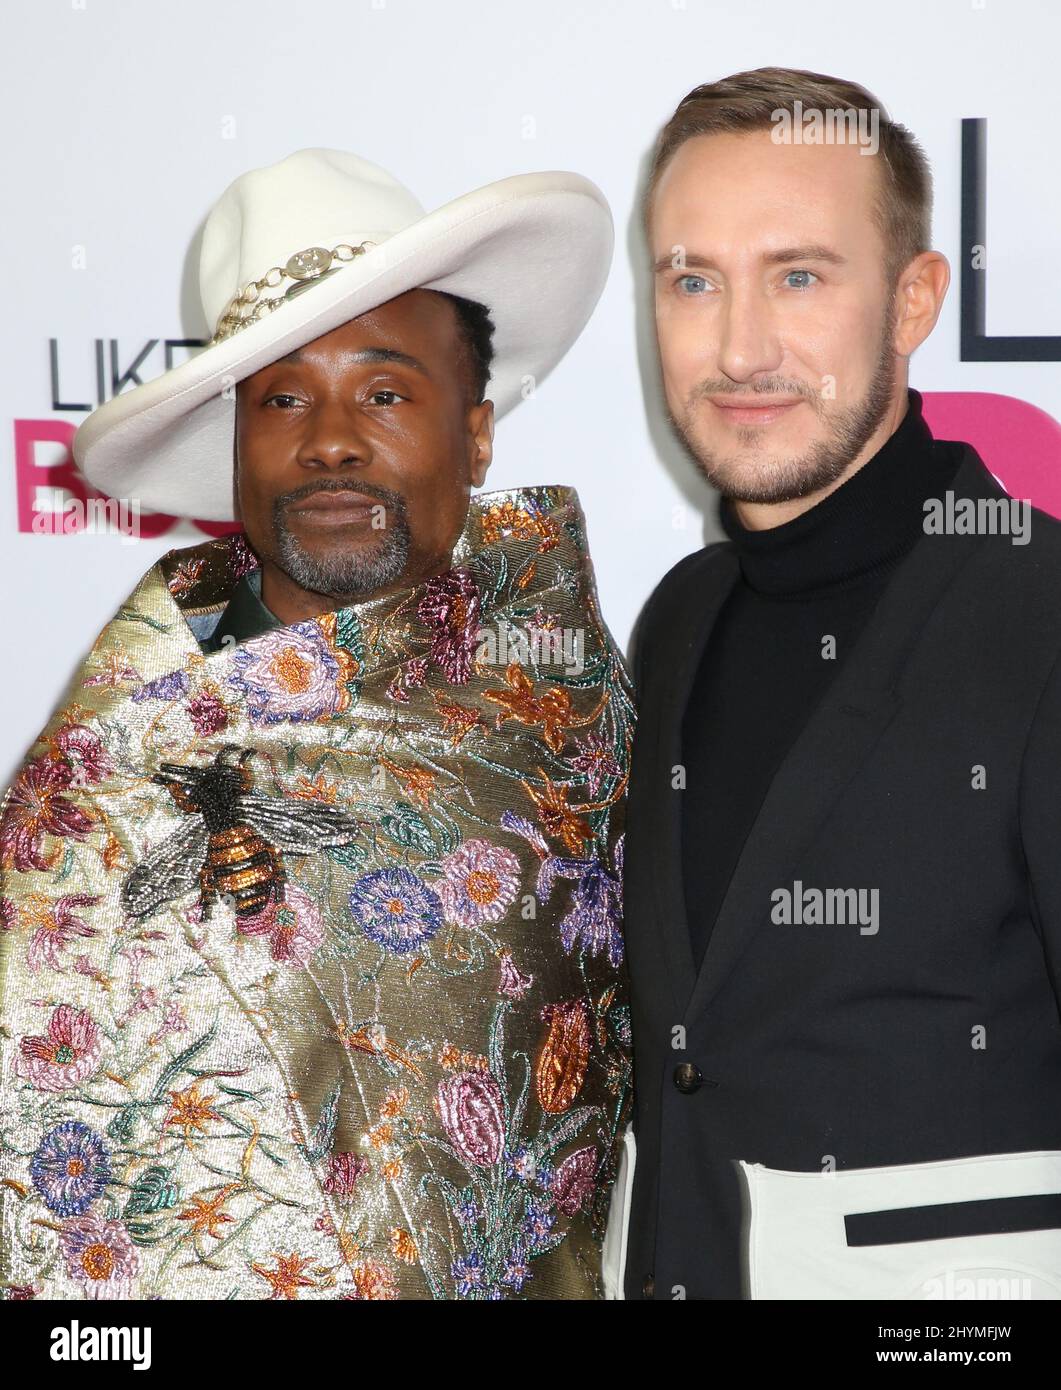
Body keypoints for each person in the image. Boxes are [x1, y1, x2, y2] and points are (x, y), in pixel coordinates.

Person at [0, 148, 634, 1301]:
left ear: (476, 433)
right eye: (283, 398)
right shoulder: (111, 753)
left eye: (384, 392)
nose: (330, 440)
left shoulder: (568, 715)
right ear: (235, 444)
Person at [618, 67, 1061, 1299]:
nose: (738, 345)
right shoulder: (676, 620)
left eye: (797, 276)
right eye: (691, 280)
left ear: (913, 298)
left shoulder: (1036, 610)